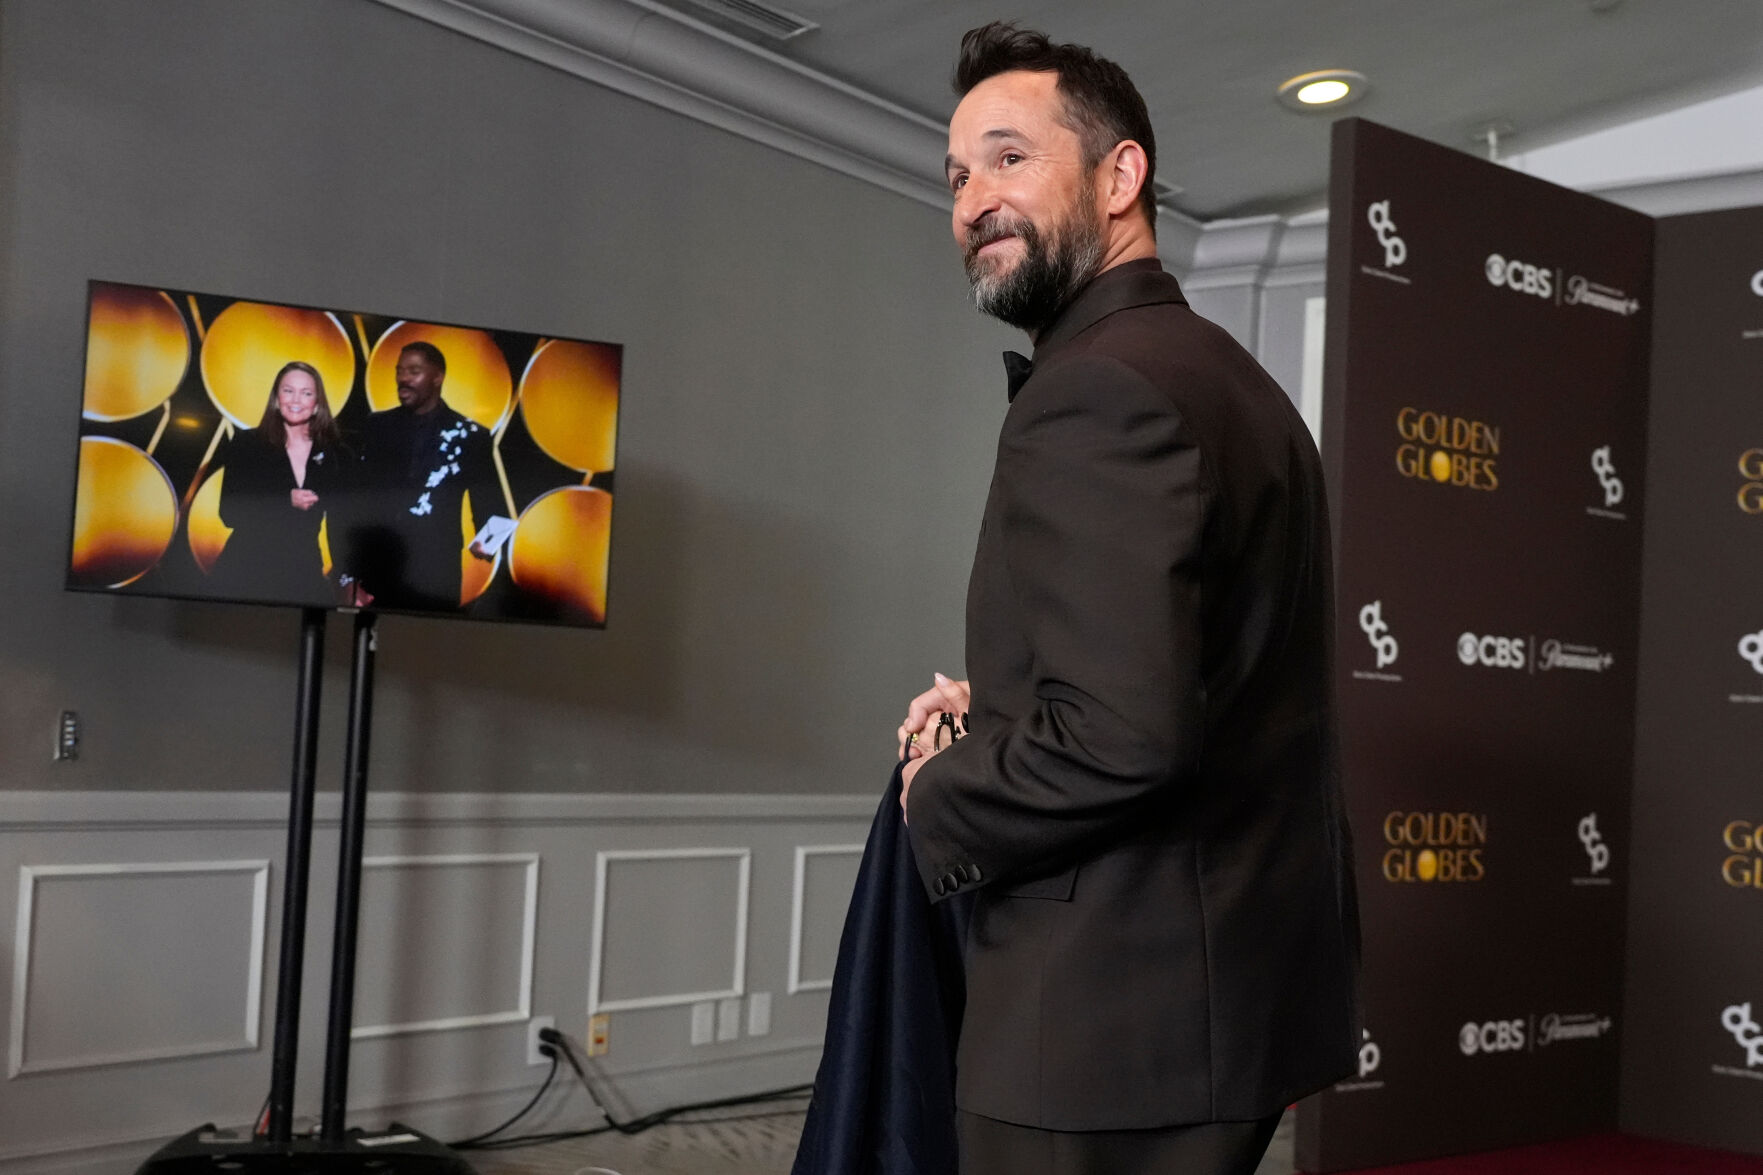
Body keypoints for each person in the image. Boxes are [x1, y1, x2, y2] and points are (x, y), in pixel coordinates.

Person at [895, 23, 1360, 1175]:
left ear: (1119, 177)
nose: (970, 201)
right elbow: (1188, 672)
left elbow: (1122, 736)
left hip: (1104, 1028)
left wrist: (936, 783)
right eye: (956, 176)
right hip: (1211, 1010)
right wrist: (1000, 702)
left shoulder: (1095, 393)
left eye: (1007, 158)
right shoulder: (1229, 382)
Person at [345, 340, 499, 611]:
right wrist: (348, 571)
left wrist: (486, 545)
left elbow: (491, 502)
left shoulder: (472, 436)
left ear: (438, 377)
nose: (403, 379)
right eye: (399, 371)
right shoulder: (375, 426)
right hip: (377, 569)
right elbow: (354, 500)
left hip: (436, 575)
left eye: (413, 371)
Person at [210, 360, 349, 606]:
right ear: (276, 398)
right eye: (288, 391)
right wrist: (286, 500)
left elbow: (340, 522)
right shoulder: (247, 444)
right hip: (245, 571)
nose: (296, 400)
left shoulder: (335, 453)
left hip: (302, 573)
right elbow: (229, 513)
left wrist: (346, 578)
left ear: (317, 404)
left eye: (306, 393)